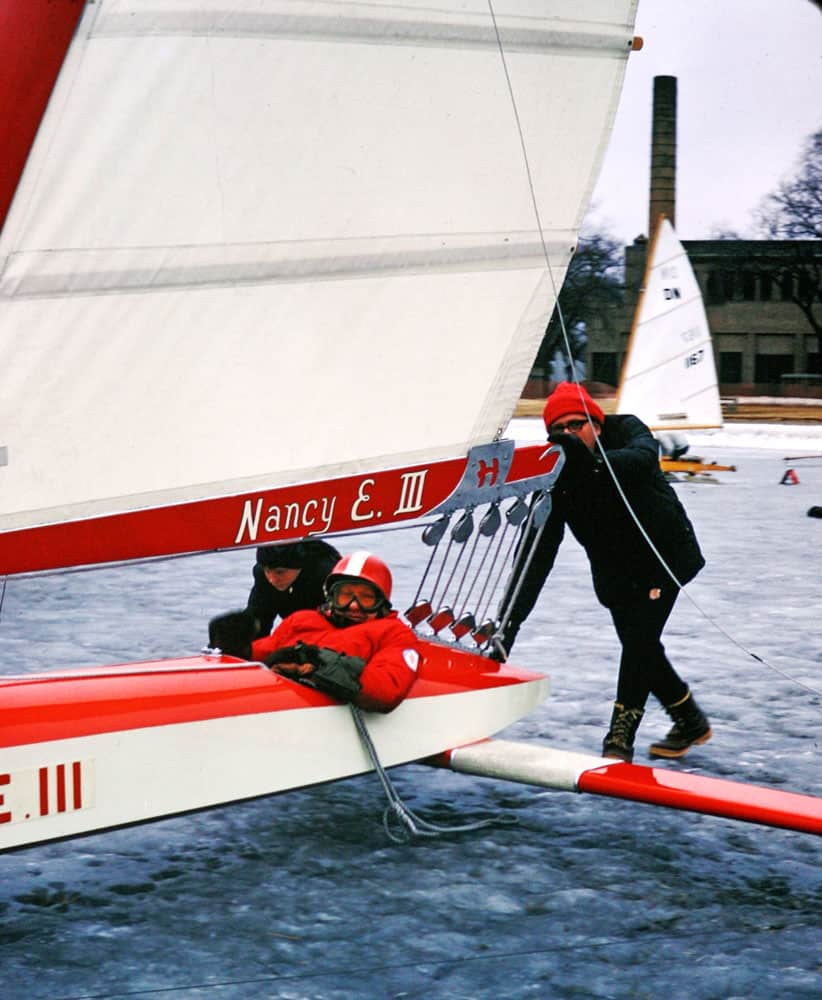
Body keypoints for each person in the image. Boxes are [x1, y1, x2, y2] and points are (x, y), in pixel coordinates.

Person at [500, 381, 711, 762]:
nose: (569, 435)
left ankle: (619, 741)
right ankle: (690, 720)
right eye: (558, 430)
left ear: (596, 425)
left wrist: (592, 463)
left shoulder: (627, 430)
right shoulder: (556, 474)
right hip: (615, 573)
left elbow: (643, 457)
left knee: (638, 644)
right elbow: (536, 556)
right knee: (642, 645)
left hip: (662, 560)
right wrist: (507, 626)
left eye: (576, 424)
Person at [252, 550, 420, 713]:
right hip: (277, 702)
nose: (354, 606)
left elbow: (387, 690)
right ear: (332, 597)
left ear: (381, 602)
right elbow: (258, 651)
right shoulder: (302, 620)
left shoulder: (395, 634)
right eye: (345, 596)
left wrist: (317, 663)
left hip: (325, 715)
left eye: (366, 598)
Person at [208, 540, 340, 656]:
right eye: (267, 570)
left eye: (280, 572)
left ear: (299, 567)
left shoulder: (326, 574)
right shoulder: (263, 576)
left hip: (329, 632)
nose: (272, 579)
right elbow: (258, 617)